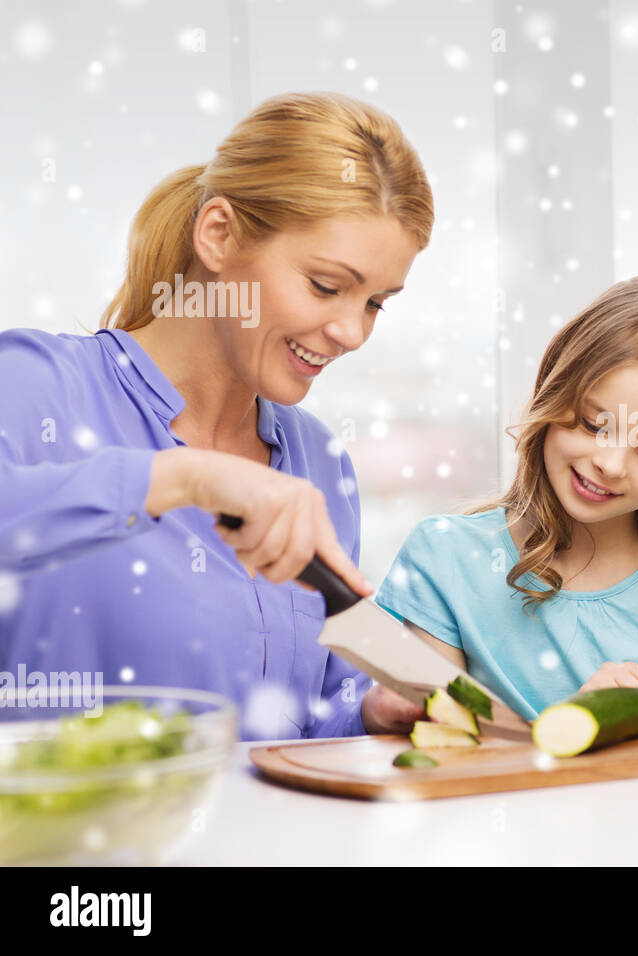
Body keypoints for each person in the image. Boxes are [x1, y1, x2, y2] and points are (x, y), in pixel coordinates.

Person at [0, 92, 430, 740]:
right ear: (219, 234)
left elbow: (298, 718)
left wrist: (367, 711)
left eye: (376, 303)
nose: (351, 331)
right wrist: (186, 479)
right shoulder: (37, 388)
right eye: (325, 285)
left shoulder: (320, 462)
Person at [375, 275, 638, 720]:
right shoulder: (445, 557)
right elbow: (443, 740)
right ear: (552, 391)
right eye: (593, 425)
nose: (611, 463)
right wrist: (582, 717)